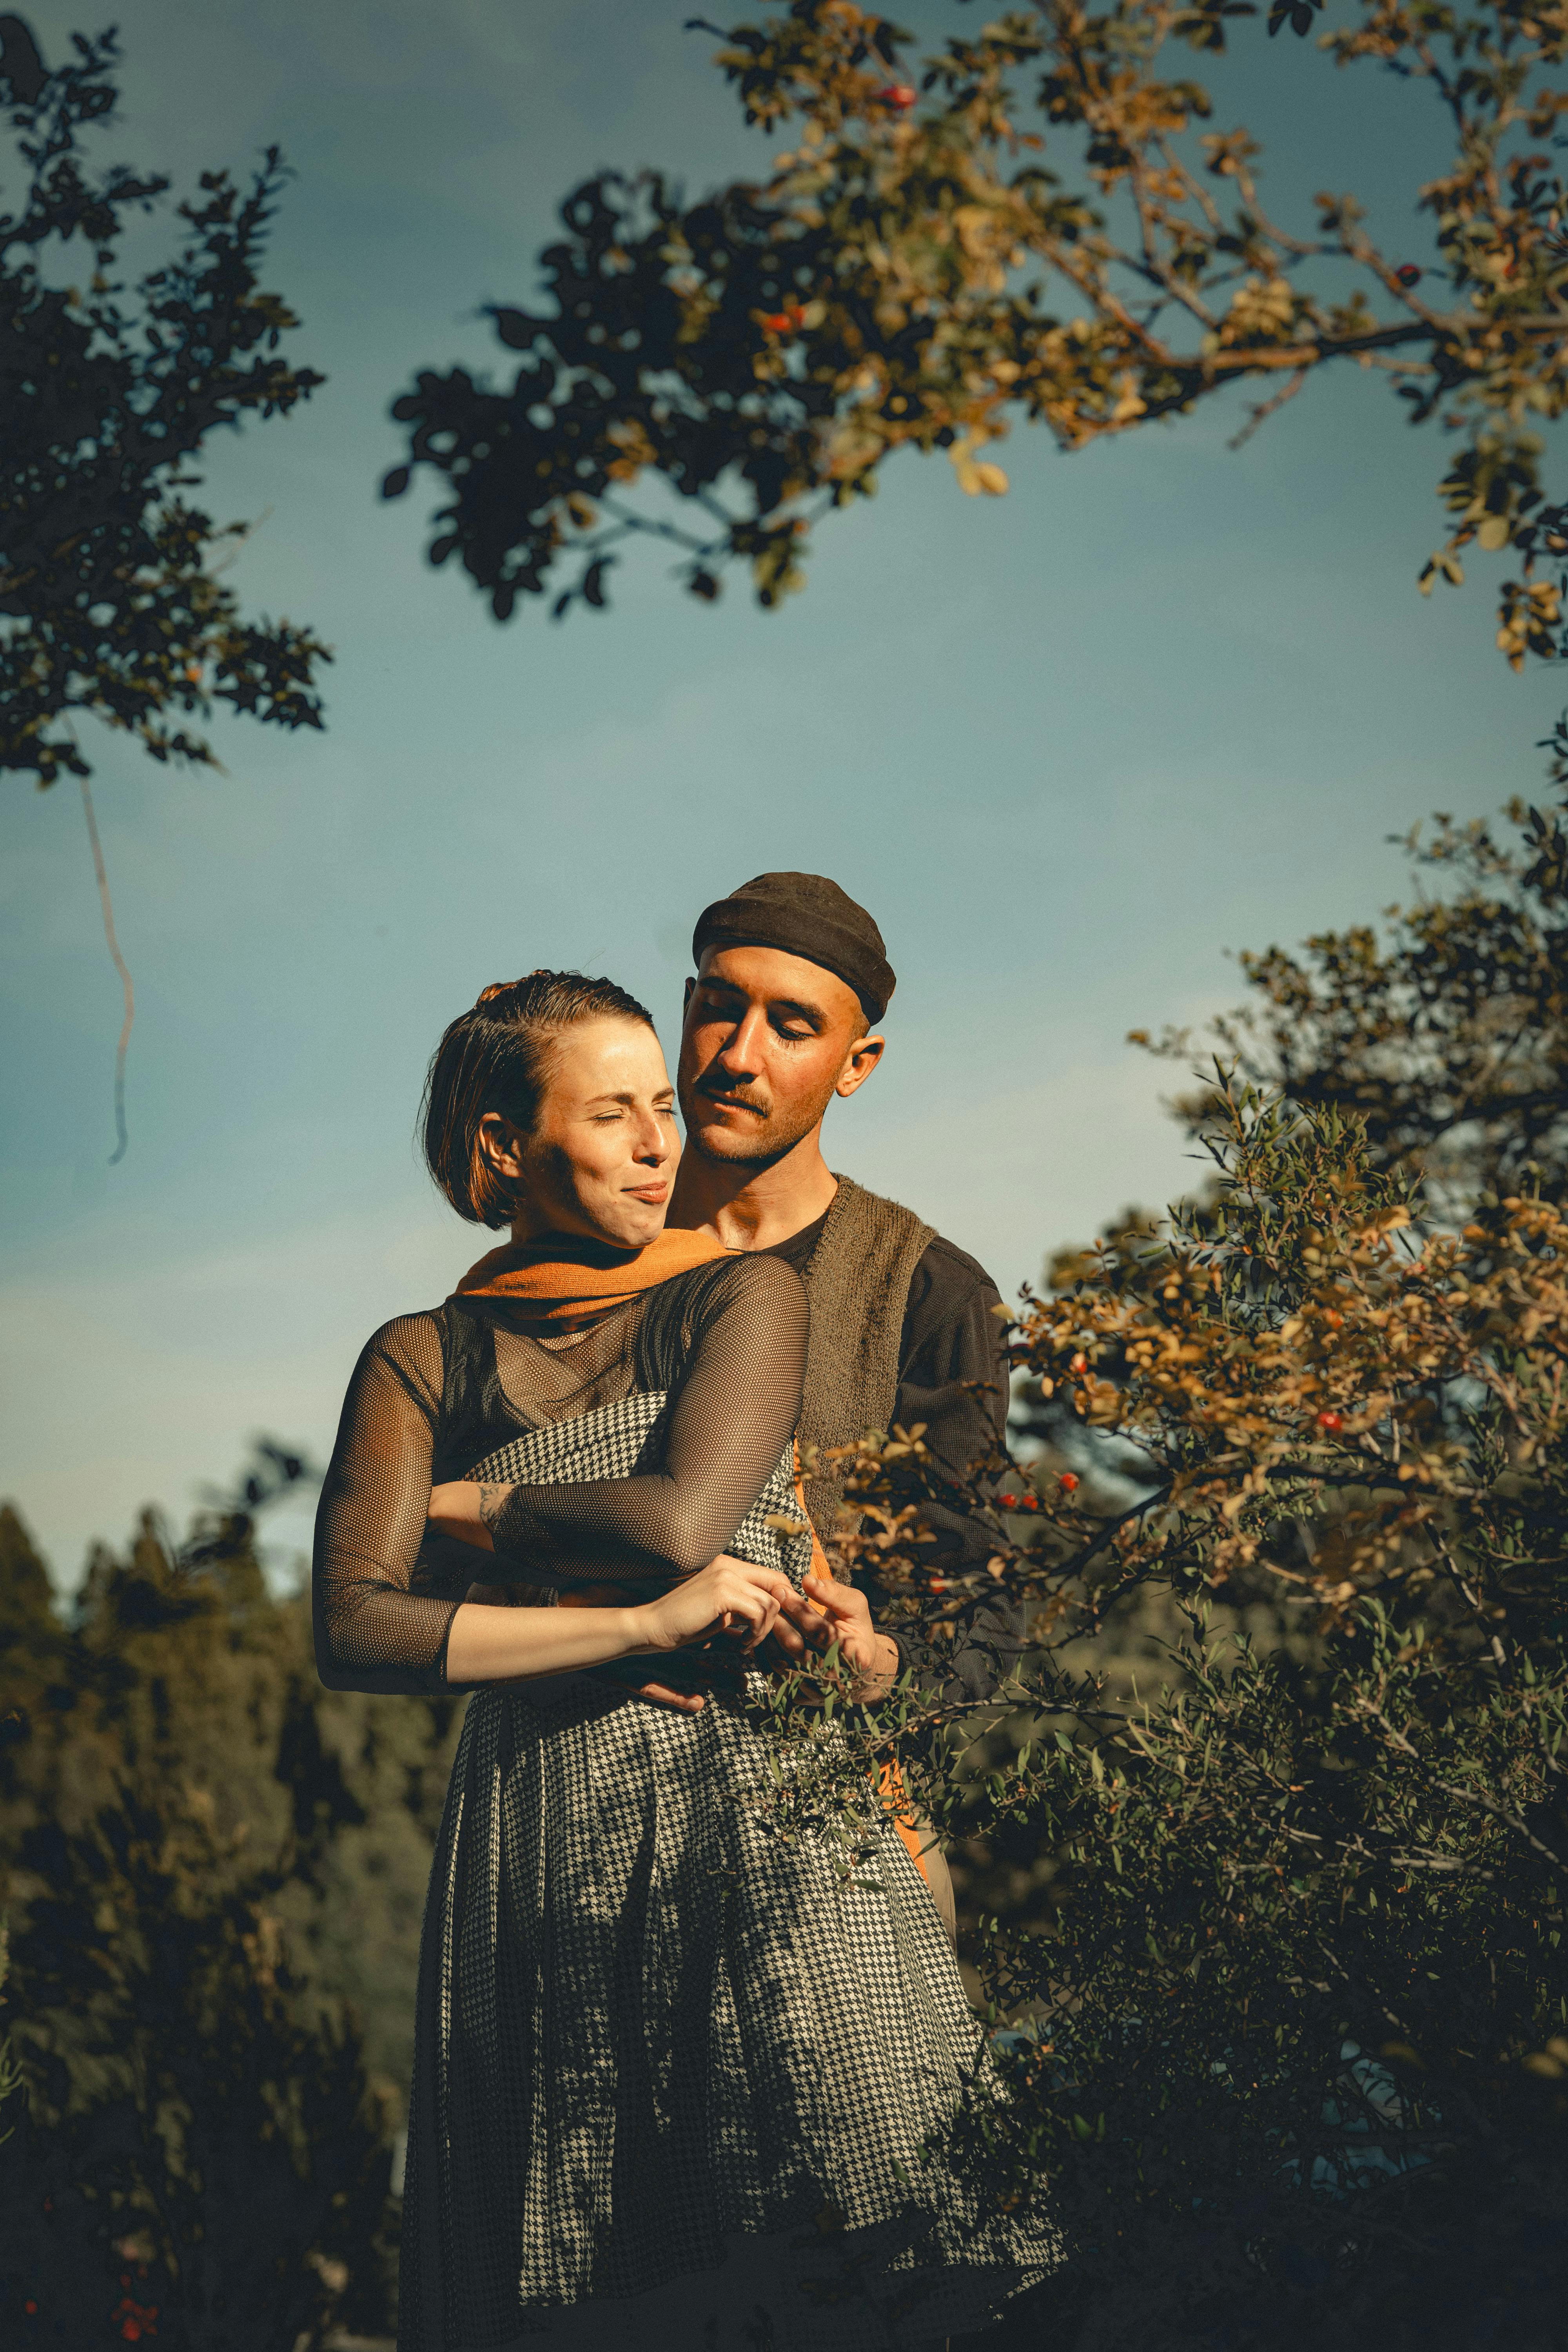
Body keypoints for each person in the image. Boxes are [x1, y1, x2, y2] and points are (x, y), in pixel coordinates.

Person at [312, 971, 1054, 2352]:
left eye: (664, 1107)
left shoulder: (740, 1296)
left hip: (757, 1783)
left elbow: (677, 1525)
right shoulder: (418, 1356)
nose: (664, 1142)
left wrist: (466, 1515)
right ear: (500, 1149)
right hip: (541, 1811)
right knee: (604, 2266)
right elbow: (355, 1628)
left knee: (873, 2223)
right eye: (615, 1113)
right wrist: (634, 1629)